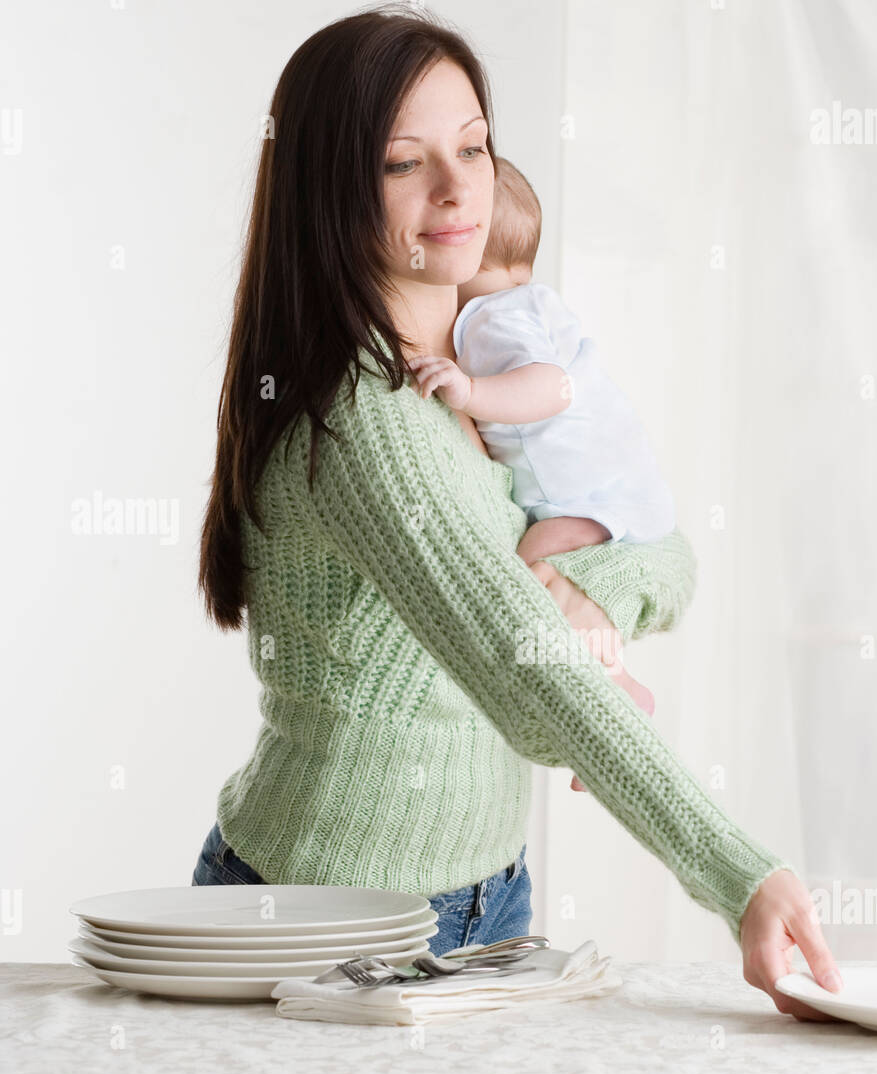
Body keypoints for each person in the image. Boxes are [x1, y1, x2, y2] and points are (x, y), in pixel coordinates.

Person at [193, 5, 842, 1017]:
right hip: (331, 916)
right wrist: (740, 873)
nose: (459, 189)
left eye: (474, 147)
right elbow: (527, 675)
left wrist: (579, 589)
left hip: (492, 899)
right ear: (329, 189)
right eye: (404, 162)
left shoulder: (498, 364)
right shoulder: (364, 423)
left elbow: (662, 548)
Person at [406, 155, 670, 759]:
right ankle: (607, 705)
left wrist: (470, 392)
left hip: (583, 499)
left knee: (534, 574)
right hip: (616, 488)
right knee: (549, 584)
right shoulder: (534, 302)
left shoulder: (493, 319)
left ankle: (616, 691)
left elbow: (550, 386)